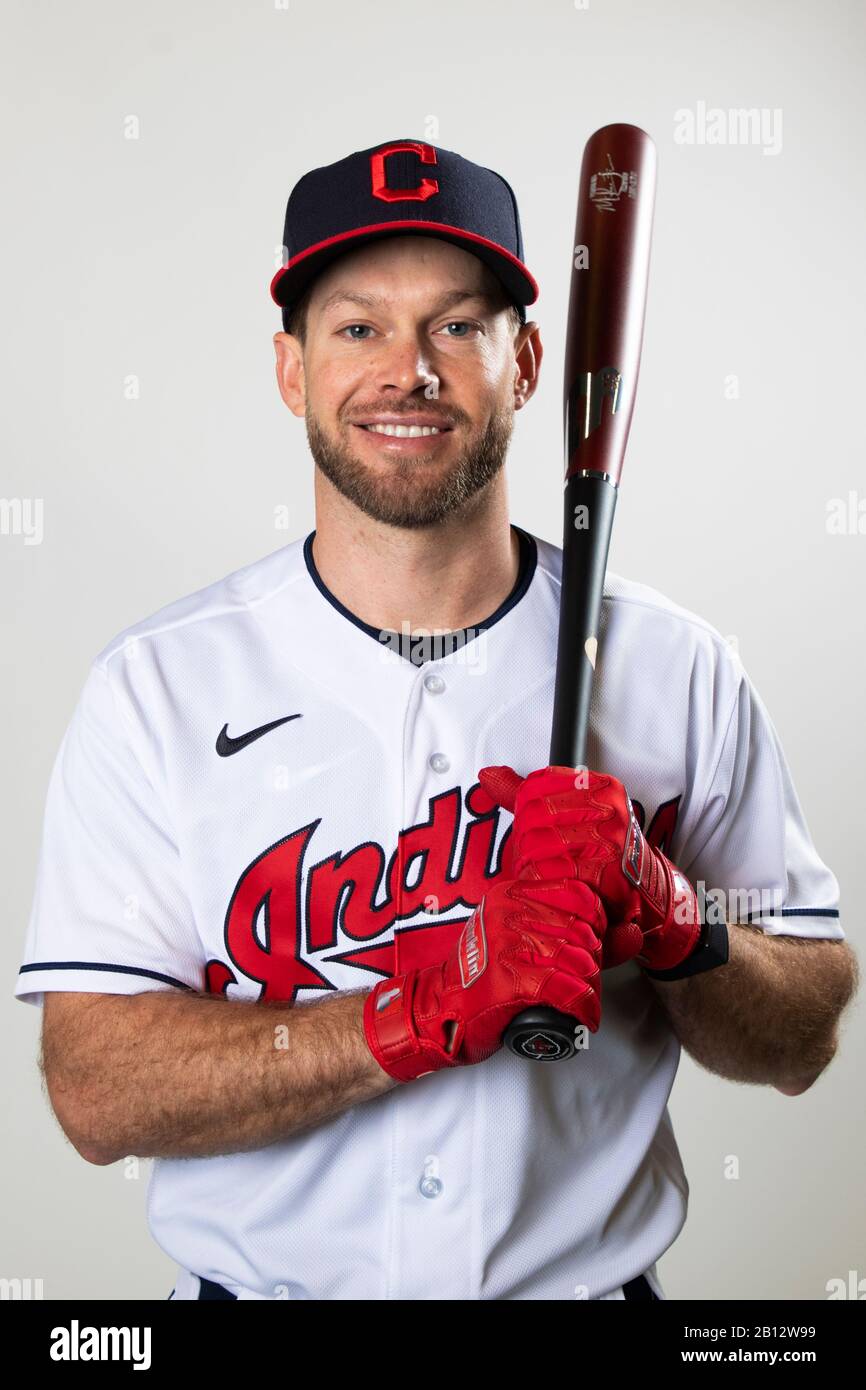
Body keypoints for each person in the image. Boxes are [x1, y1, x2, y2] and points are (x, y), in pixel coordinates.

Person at [16, 138, 856, 1301]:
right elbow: (96, 1091)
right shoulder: (156, 687)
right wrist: (413, 1012)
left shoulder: (676, 666)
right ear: (288, 368)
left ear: (525, 366)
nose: (405, 370)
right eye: (357, 327)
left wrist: (676, 924)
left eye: (456, 326)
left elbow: (800, 1037)